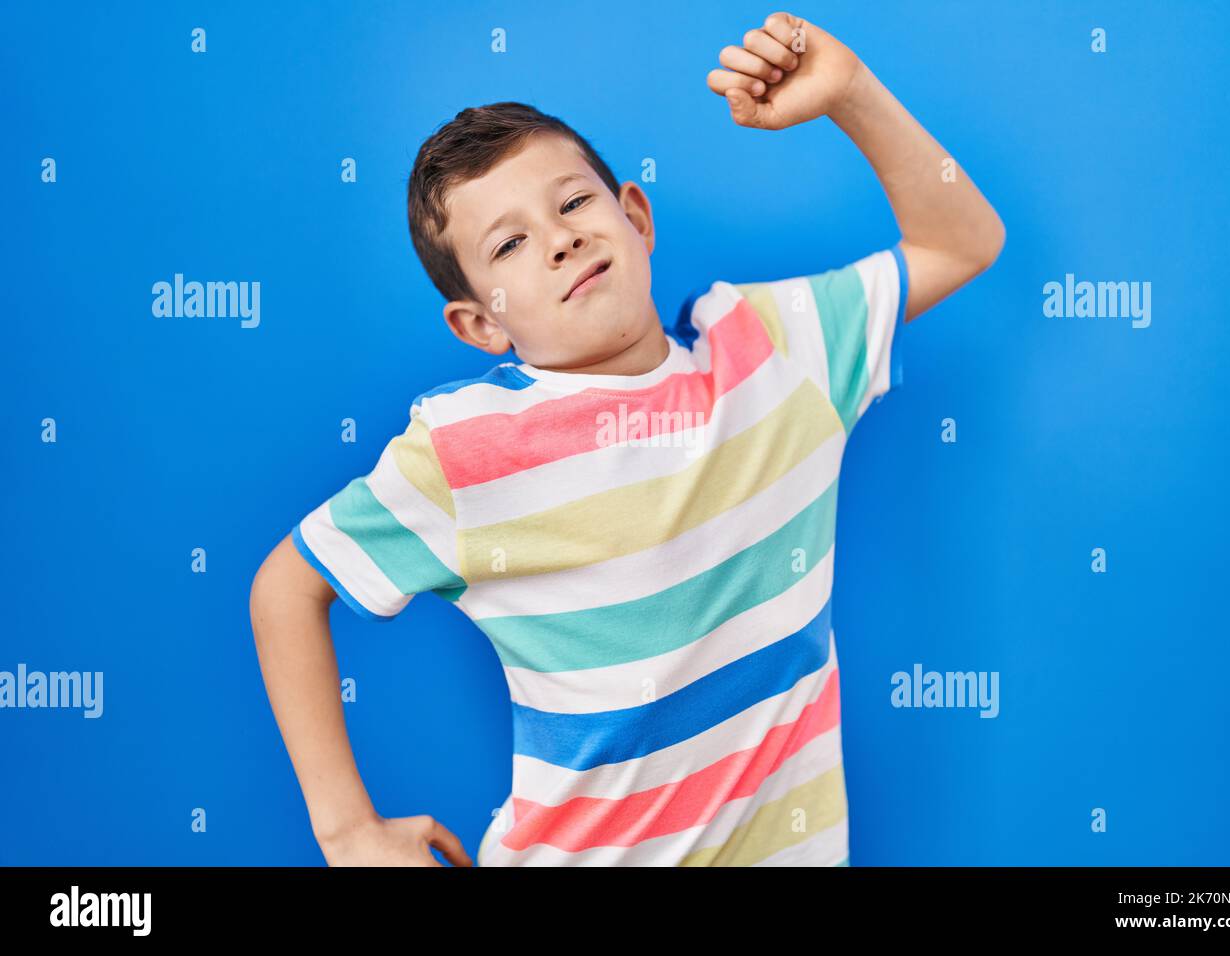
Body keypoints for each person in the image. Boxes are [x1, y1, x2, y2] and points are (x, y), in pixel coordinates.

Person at [248, 12, 1004, 867]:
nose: (562, 238)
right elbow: (286, 587)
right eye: (511, 245)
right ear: (476, 324)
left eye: (573, 202)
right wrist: (346, 830)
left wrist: (851, 93)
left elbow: (963, 240)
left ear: (636, 218)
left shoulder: (776, 348)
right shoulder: (467, 452)